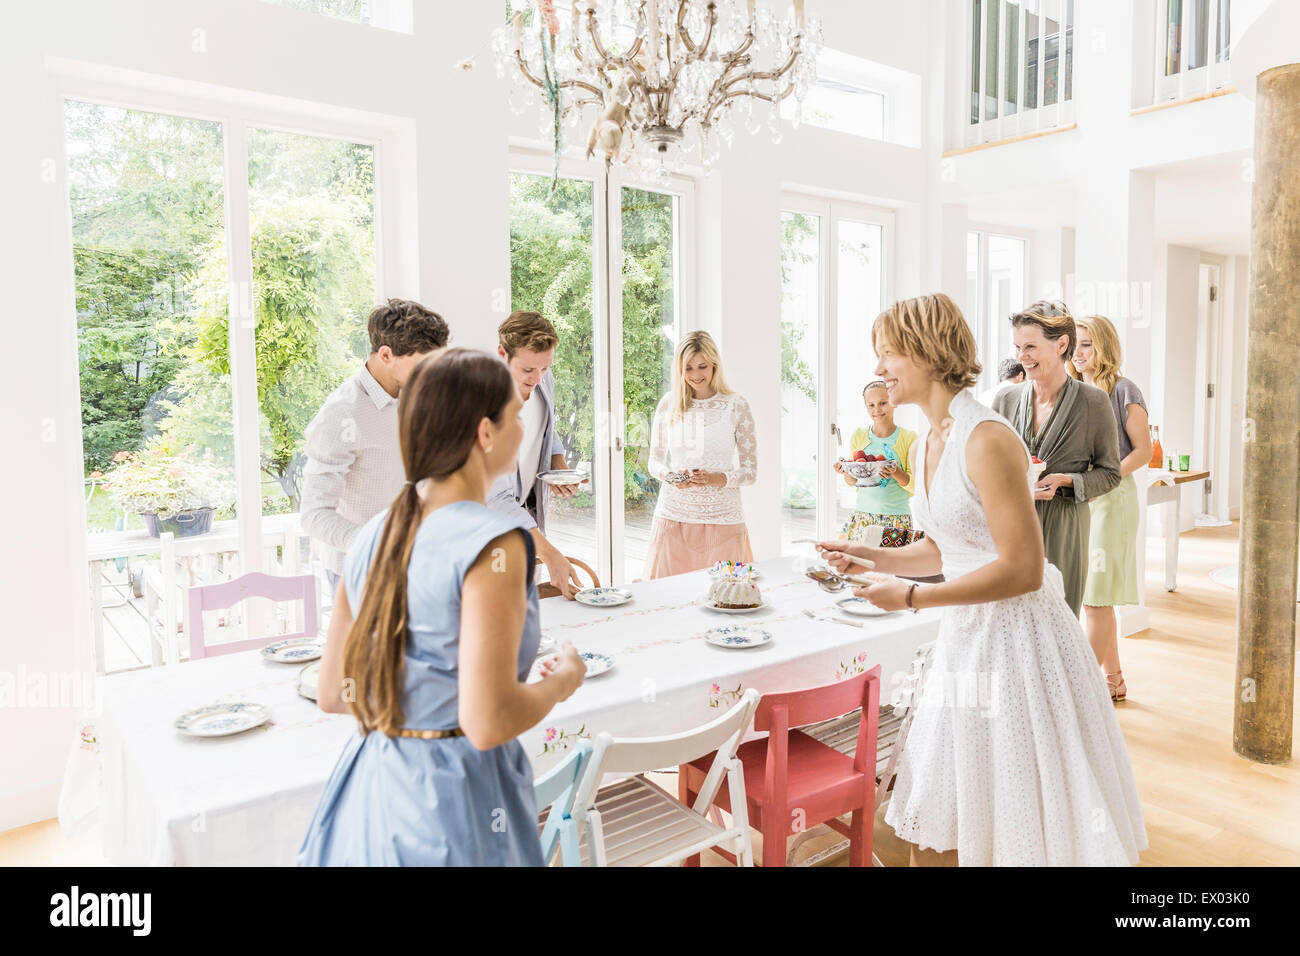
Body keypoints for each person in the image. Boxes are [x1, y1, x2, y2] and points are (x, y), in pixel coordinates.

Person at [816, 293, 1146, 867]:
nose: (879, 369)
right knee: (951, 805)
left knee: (1017, 805)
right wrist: (873, 560)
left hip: (1020, 639)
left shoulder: (987, 437)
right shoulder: (927, 442)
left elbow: (1021, 568)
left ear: (925, 352)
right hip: (966, 633)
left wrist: (914, 599)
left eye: (888, 353)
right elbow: (948, 547)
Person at [300, 348, 586, 866]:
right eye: (514, 419)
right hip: (456, 798)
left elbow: (333, 694)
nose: (521, 434)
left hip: (373, 786)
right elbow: (488, 721)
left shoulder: (372, 535)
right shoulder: (496, 543)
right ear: (484, 433)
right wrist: (561, 681)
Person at [300, 299, 449, 591]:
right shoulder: (342, 413)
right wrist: (380, 542)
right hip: (360, 573)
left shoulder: (415, 396)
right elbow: (314, 515)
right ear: (386, 354)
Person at [992, 301, 1121, 616]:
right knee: (1009, 623)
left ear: (1061, 344)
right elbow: (989, 467)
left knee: (1057, 625)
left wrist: (1068, 481)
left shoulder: (1094, 403)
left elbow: (1110, 473)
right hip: (1012, 527)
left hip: (1064, 530)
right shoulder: (1005, 399)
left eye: (1031, 347)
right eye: (1018, 347)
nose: (1021, 356)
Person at [1070, 315, 1152, 702]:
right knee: (1092, 598)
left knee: (1096, 598)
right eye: (1075, 344)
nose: (1079, 352)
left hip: (1113, 499)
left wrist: (1103, 479)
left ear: (1103, 346)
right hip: (1082, 499)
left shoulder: (1124, 389)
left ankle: (1082, 693)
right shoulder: (1073, 391)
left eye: (1087, 344)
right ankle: (1114, 680)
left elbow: (1144, 452)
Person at [487, 311, 585, 599]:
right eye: (529, 370)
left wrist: (558, 465)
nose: (538, 377)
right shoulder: (483, 404)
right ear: (502, 353)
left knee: (527, 610)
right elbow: (495, 497)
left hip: (529, 513)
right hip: (491, 525)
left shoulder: (543, 376)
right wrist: (552, 554)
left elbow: (546, 427)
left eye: (545, 368)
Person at [645, 331, 757, 578]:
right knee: (669, 600)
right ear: (679, 369)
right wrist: (672, 476)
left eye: (702, 366)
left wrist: (715, 479)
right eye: (688, 368)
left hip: (724, 519)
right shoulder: (668, 404)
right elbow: (654, 462)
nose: (696, 375)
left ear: (714, 364)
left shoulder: (736, 405)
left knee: (727, 599)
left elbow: (750, 473)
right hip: (674, 517)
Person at [833, 380, 918, 546]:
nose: (876, 410)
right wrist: (846, 472)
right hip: (863, 517)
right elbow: (854, 483)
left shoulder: (909, 438)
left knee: (893, 569)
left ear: (894, 401)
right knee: (858, 568)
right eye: (870, 405)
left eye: (883, 403)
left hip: (896, 520)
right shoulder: (859, 435)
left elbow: (915, 486)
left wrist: (895, 471)